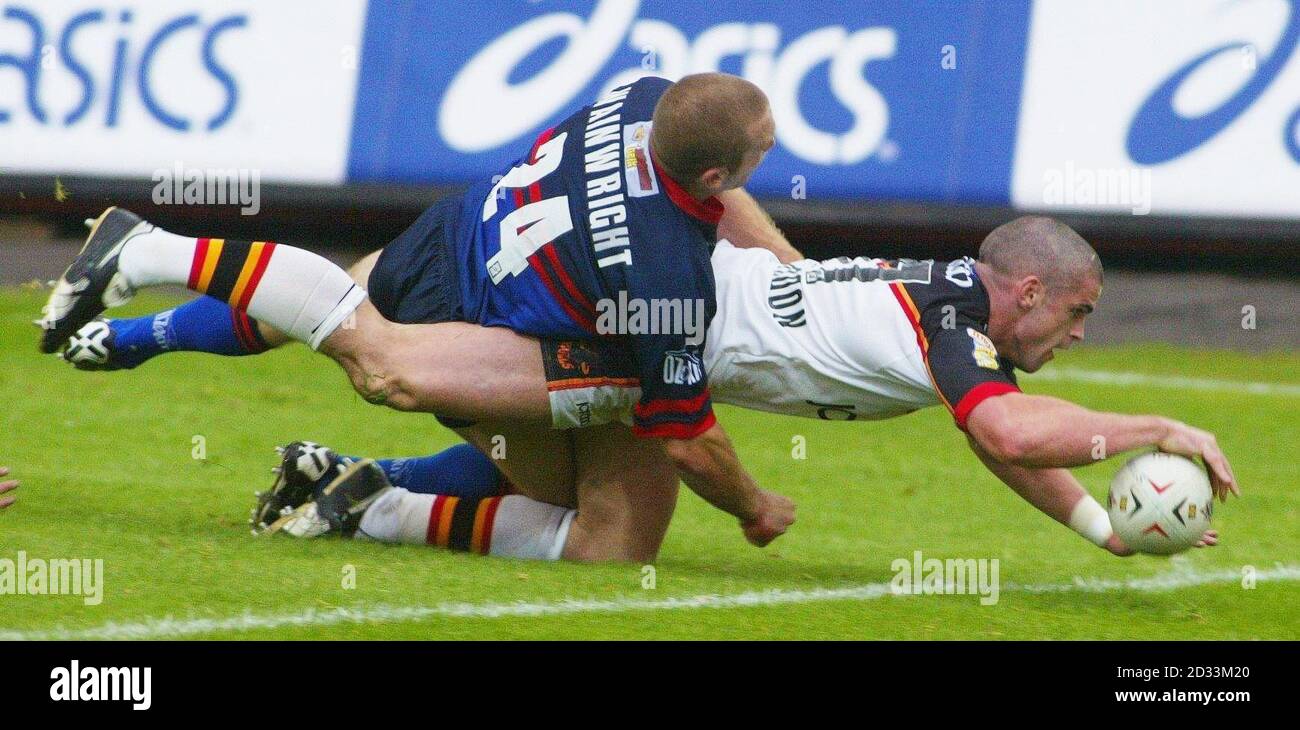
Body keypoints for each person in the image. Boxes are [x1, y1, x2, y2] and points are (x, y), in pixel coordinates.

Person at [67, 217, 1237, 560]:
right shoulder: (950, 319)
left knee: (377, 312)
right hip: (621, 327)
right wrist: (1158, 423)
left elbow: (1004, 437)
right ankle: (154, 258)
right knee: (388, 357)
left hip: (616, 314)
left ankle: (342, 490)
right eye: (1078, 314)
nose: (1081, 336)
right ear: (1027, 290)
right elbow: (1018, 425)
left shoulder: (948, 304)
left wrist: (1098, 526)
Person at [37, 73, 797, 559]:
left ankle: (126, 333)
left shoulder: (642, 97)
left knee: (315, 305)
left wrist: (793, 271)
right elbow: (689, 438)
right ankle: (375, 500)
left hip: (455, 235)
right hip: (476, 322)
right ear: (711, 171)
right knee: (589, 519)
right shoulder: (668, 271)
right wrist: (755, 507)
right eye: (759, 152)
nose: (763, 161)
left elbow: (699, 186)